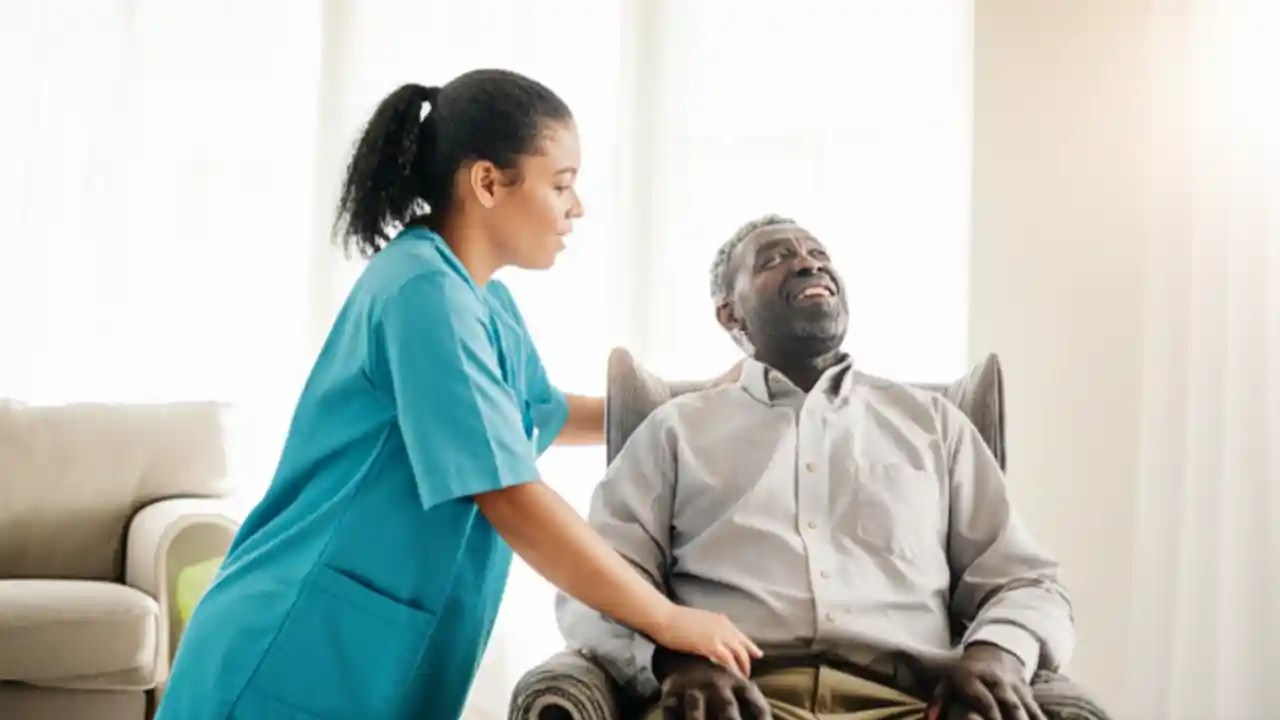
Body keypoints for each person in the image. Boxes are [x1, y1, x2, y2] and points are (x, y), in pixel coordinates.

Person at [156, 70, 759, 720]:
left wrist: (724, 391)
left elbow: (548, 414)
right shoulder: (425, 295)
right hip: (295, 649)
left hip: (370, 650)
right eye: (561, 184)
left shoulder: (479, 301)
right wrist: (668, 622)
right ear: (488, 183)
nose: (576, 206)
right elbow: (510, 495)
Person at [557, 215, 1108, 720]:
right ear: (731, 313)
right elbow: (592, 585)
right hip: (733, 703)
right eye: (774, 259)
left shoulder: (933, 425)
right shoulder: (674, 431)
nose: (808, 262)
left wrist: (997, 654)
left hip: (917, 706)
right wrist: (671, 662)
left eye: (817, 253)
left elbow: (1025, 582)